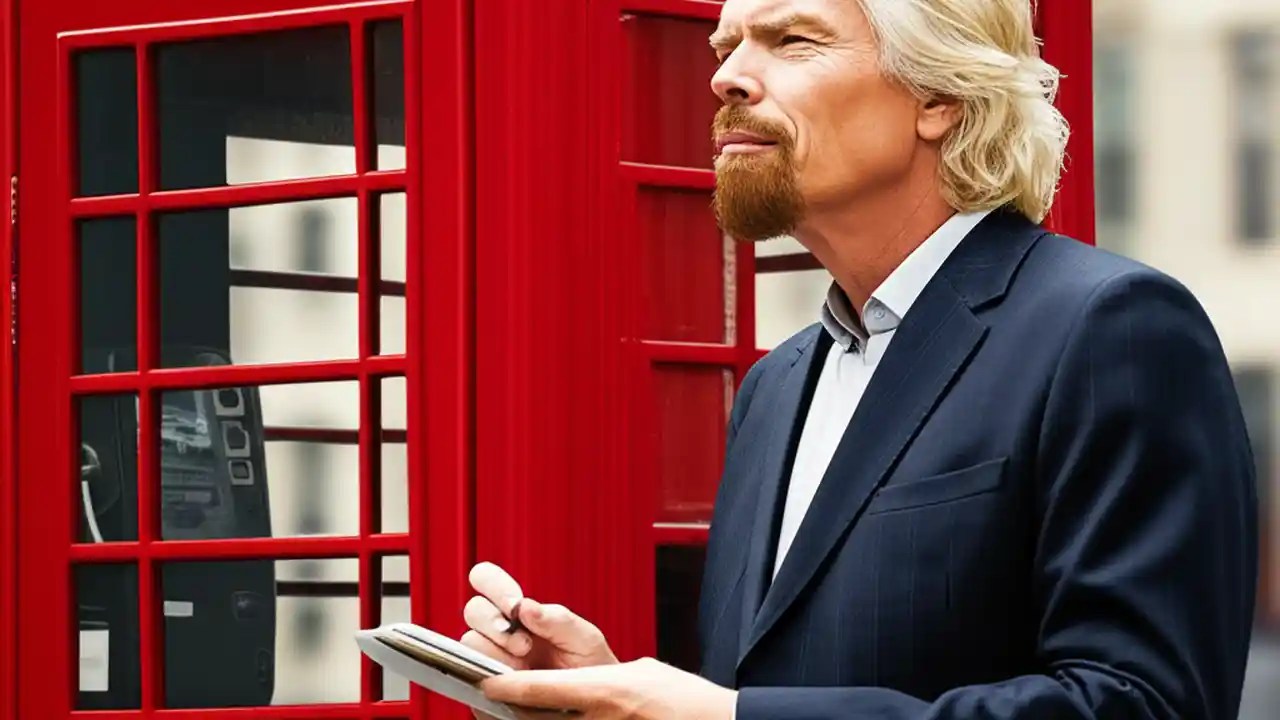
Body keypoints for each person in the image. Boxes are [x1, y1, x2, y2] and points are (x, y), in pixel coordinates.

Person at [460, 0, 1259, 717]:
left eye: (792, 40)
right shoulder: (776, 386)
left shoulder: (1110, 329)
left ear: (940, 96)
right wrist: (610, 690)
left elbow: (1145, 702)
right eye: (725, 47)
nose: (729, 78)